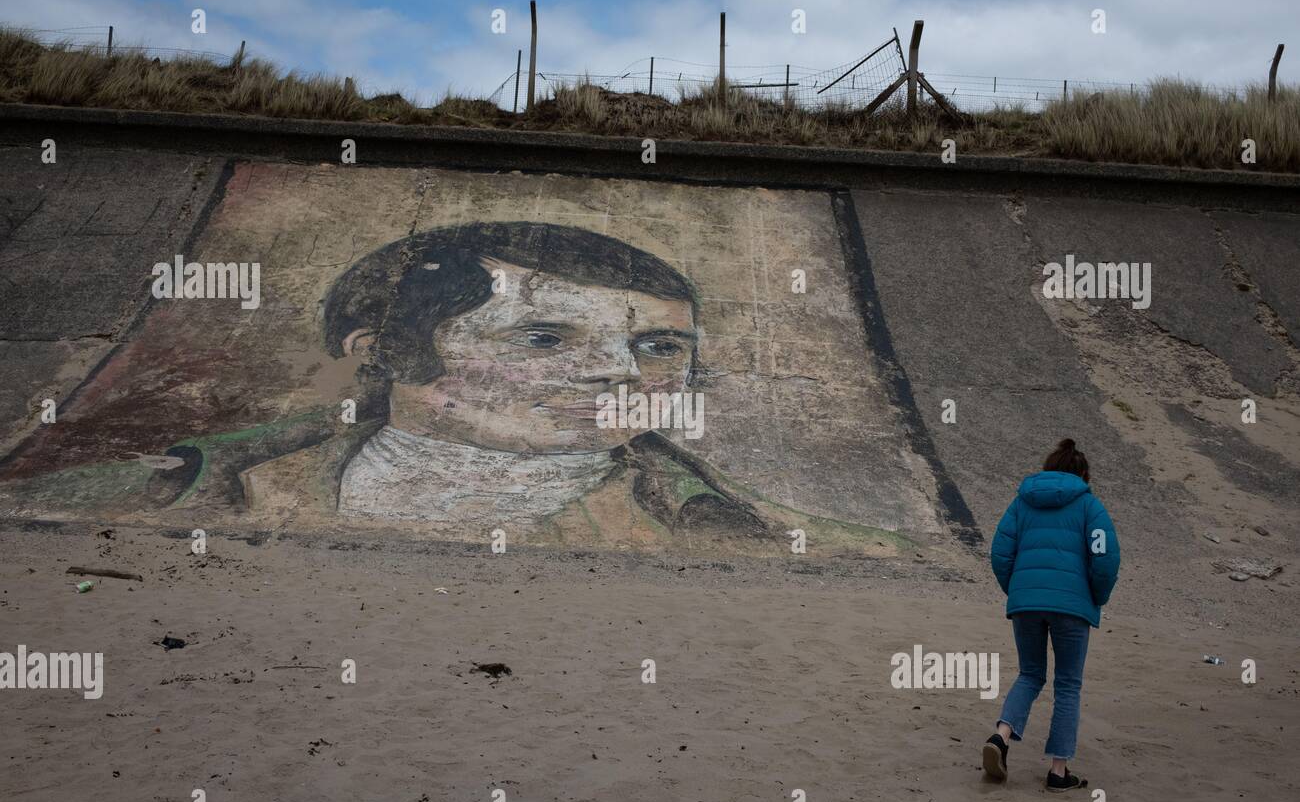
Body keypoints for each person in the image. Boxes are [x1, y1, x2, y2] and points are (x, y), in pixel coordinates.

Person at [0, 222, 910, 559]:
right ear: (387, 349)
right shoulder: (143, 493)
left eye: (659, 345)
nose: (623, 374)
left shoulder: (803, 546)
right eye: (545, 335)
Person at [981, 438, 1120, 791]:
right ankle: (1058, 772)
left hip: (1027, 603)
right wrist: (1095, 599)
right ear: (1082, 474)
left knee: (1030, 674)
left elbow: (1000, 552)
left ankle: (1001, 736)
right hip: (1073, 607)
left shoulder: (1022, 502)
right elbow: (1104, 558)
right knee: (1068, 684)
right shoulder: (1090, 506)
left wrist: (1017, 590)